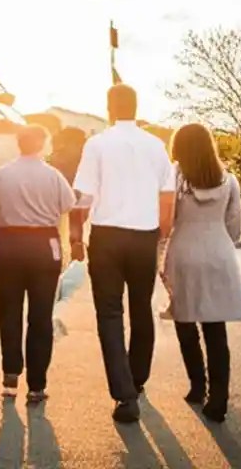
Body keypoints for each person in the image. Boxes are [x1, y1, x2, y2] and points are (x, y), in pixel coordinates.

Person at [71, 84, 176, 424]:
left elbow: (83, 197)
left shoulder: (97, 144)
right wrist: (160, 234)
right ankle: (137, 377)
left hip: (107, 238)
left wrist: (75, 229)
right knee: (141, 308)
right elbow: (167, 197)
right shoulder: (157, 147)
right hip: (144, 236)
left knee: (110, 315)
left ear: (109, 107)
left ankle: (124, 394)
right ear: (136, 105)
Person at [0, 125, 76, 403]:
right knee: (40, 315)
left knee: (9, 311)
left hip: (9, 244)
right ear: (42, 143)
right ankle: (37, 384)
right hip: (43, 247)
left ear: (19, 144)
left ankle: (11, 376)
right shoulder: (53, 175)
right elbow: (68, 206)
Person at [165, 123, 241, 423]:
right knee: (215, 330)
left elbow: (167, 219)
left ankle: (197, 385)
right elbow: (235, 228)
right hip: (218, 254)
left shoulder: (175, 178)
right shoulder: (228, 180)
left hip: (184, 253)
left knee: (185, 322)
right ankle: (219, 398)